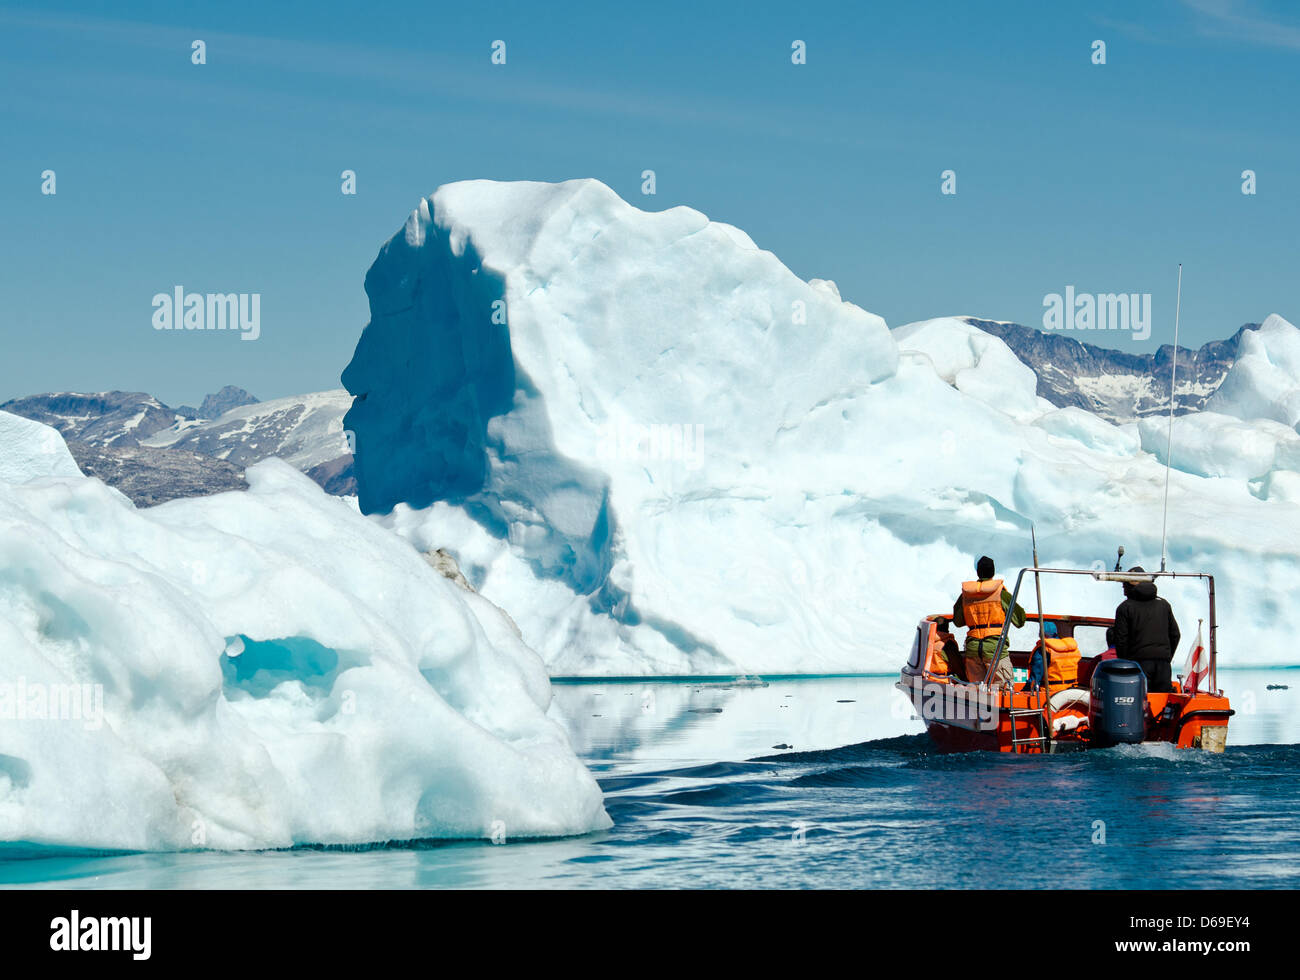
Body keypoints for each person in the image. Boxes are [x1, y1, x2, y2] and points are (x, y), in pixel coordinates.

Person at [952, 555, 1026, 689]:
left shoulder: (966, 594)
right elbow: (1020, 620)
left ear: (978, 572)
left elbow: (957, 621)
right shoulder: (1000, 593)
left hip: (973, 649)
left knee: (977, 694)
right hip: (995, 649)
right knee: (1002, 693)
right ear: (993, 572)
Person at [1113, 565, 1180, 693]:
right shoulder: (1163, 604)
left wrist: (1127, 663)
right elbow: (1175, 634)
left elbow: (1121, 639)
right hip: (1163, 665)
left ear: (1131, 586)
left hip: (1138, 664)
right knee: (1162, 702)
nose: (1123, 588)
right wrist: (1165, 656)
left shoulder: (1125, 607)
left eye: (1125, 584)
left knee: (1138, 702)